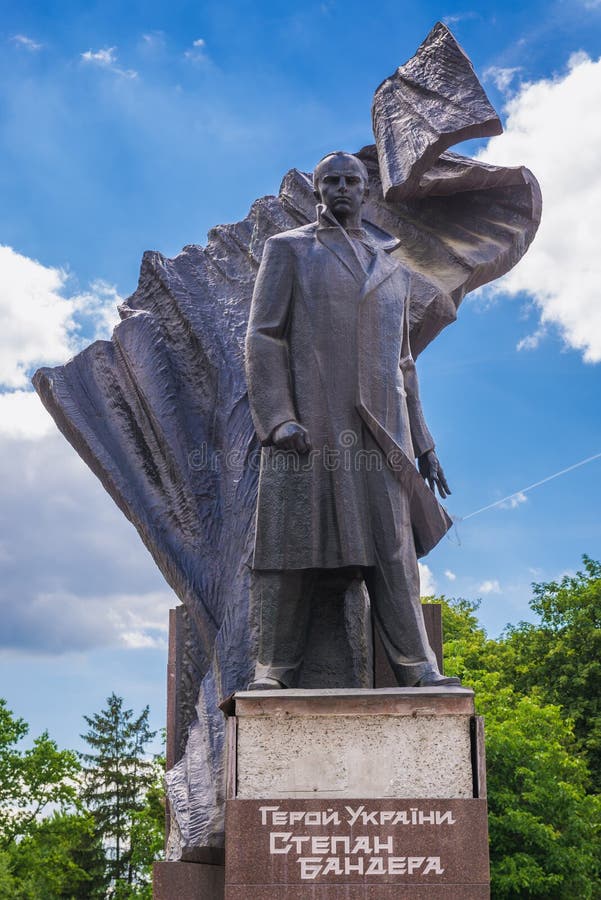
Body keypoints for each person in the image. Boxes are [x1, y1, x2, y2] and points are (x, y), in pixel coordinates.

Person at [245, 151, 460, 689]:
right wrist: (278, 418)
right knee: (294, 547)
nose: (342, 188)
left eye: (351, 181)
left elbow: (405, 363)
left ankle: (417, 668)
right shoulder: (289, 249)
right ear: (317, 190)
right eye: (331, 180)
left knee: (394, 550)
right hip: (311, 426)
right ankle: (274, 669)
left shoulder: (394, 266)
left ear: (366, 191)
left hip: (383, 431)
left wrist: (424, 443)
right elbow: (264, 336)